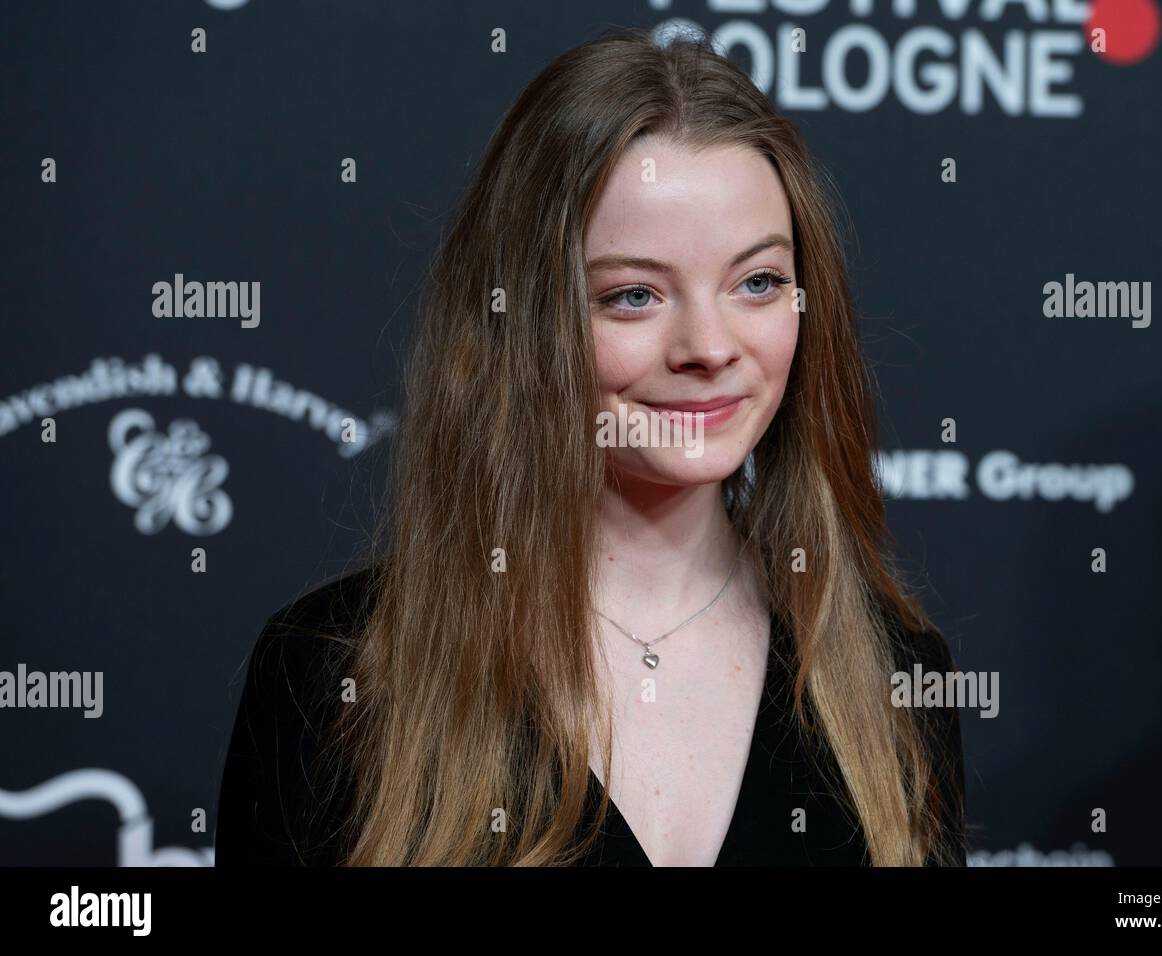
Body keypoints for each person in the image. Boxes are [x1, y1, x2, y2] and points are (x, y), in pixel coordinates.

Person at [215, 26, 966, 867]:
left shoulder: (894, 676)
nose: (709, 347)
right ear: (522, 322)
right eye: (634, 295)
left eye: (757, 282)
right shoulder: (331, 675)